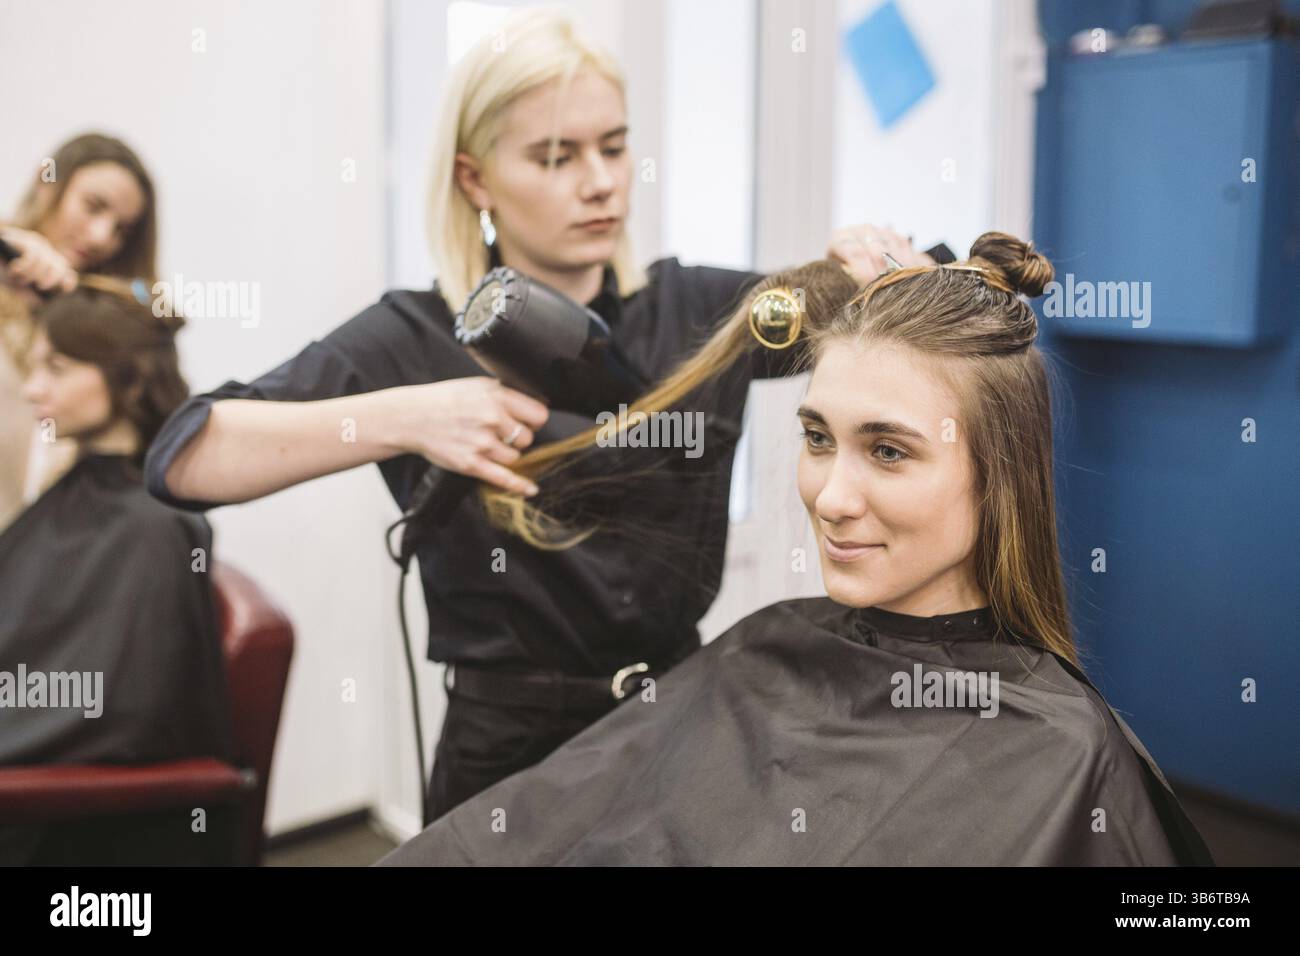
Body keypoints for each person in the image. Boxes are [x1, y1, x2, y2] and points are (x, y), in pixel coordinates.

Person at [141, 5, 936, 822]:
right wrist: (406, 419)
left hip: (679, 729)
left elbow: (905, 315)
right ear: (476, 178)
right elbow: (184, 460)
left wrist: (882, 273)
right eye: (555, 156)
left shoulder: (700, 310)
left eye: (614, 147)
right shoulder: (412, 340)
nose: (598, 181)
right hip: (507, 765)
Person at [376, 233, 1215, 866]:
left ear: (1001, 474)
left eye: (888, 450)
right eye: (818, 438)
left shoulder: (1066, 754)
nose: (832, 497)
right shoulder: (764, 648)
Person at [0, 280, 234, 865]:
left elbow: (127, 712)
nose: (32, 389)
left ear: (126, 376)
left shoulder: (155, 528)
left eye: (56, 367)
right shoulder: (81, 487)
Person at [0, 131, 158, 531]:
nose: (102, 237)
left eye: (122, 229)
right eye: (93, 207)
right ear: (46, 184)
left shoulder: (110, 341)